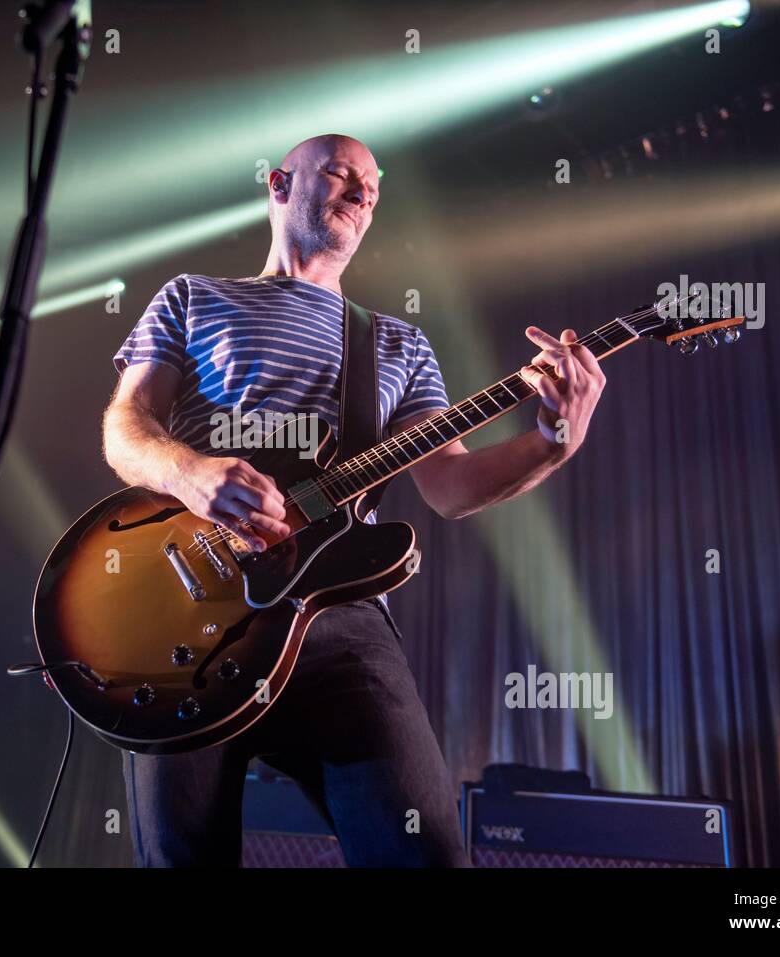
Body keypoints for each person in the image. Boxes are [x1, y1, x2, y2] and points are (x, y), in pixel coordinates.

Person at [102, 133, 606, 866]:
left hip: (338, 621)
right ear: (279, 184)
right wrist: (189, 473)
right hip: (187, 612)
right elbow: (125, 427)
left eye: (373, 186)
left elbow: (451, 487)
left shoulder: (398, 344)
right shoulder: (192, 297)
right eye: (342, 174)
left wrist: (551, 442)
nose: (364, 192)